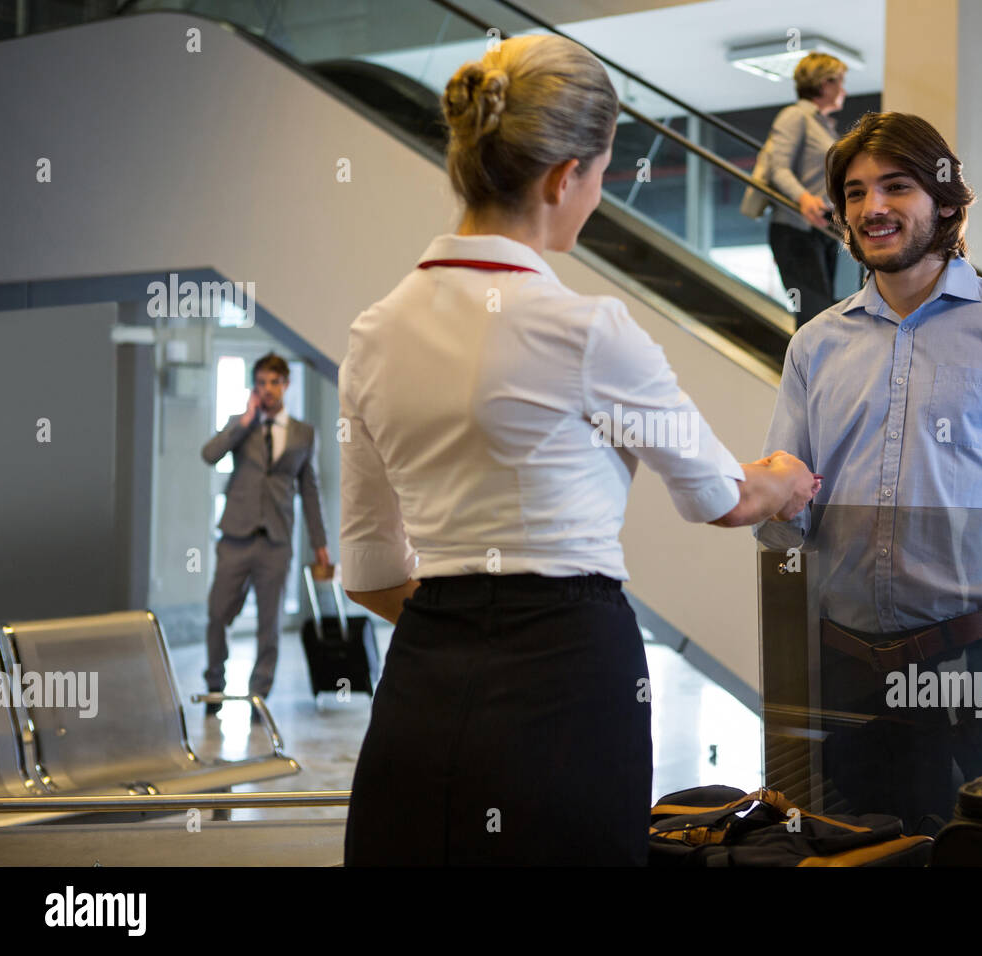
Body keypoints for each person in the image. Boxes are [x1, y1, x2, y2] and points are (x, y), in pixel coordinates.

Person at [339, 34, 818, 867]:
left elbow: (372, 572)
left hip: (421, 684)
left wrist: (470, 624)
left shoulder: (372, 334)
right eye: (600, 175)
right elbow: (721, 498)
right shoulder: (589, 330)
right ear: (566, 177)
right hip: (568, 676)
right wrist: (783, 479)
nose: (596, 195)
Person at [754, 111, 982, 832]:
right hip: (840, 672)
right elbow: (785, 512)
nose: (871, 208)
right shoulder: (815, 346)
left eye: (896, 187)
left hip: (968, 669)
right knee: (846, 855)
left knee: (967, 859)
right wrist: (755, 497)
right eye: (854, 193)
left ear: (946, 203)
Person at [201, 352, 329, 718]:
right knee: (216, 614)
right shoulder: (242, 426)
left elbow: (310, 490)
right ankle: (214, 685)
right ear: (254, 388)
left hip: (276, 540)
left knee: (268, 624)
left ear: (285, 384)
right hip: (235, 536)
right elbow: (209, 454)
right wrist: (243, 421)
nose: (268, 389)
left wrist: (320, 542)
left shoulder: (304, 433)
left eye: (274, 382)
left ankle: (259, 695)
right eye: (261, 383)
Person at [762, 52, 848, 329]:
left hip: (821, 230)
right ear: (823, 84)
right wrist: (803, 197)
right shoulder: (795, 116)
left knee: (827, 315)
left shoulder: (823, 124)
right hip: (794, 229)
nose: (844, 90)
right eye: (839, 82)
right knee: (816, 317)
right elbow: (779, 170)